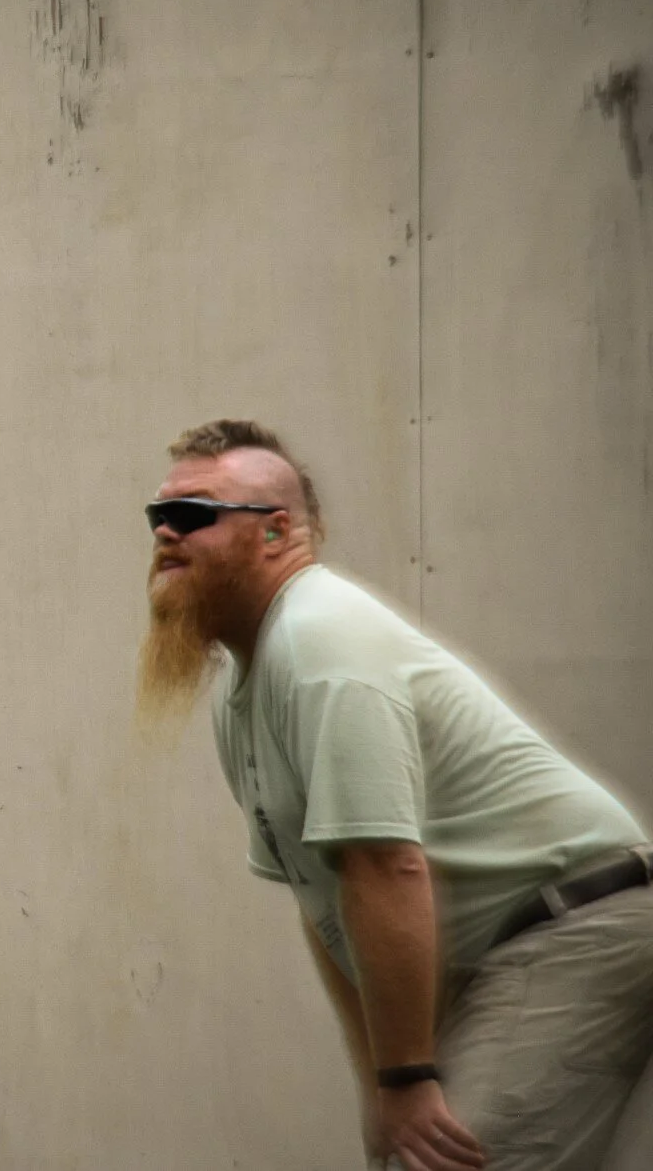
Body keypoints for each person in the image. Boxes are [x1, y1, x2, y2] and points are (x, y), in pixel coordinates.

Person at [137, 418, 653, 1171]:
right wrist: (384, 1082)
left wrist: (408, 1077)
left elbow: (386, 866)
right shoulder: (244, 686)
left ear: (277, 531)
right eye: (158, 515)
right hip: (510, 949)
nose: (165, 534)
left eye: (192, 515)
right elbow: (328, 905)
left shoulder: (321, 643)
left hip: (573, 926)